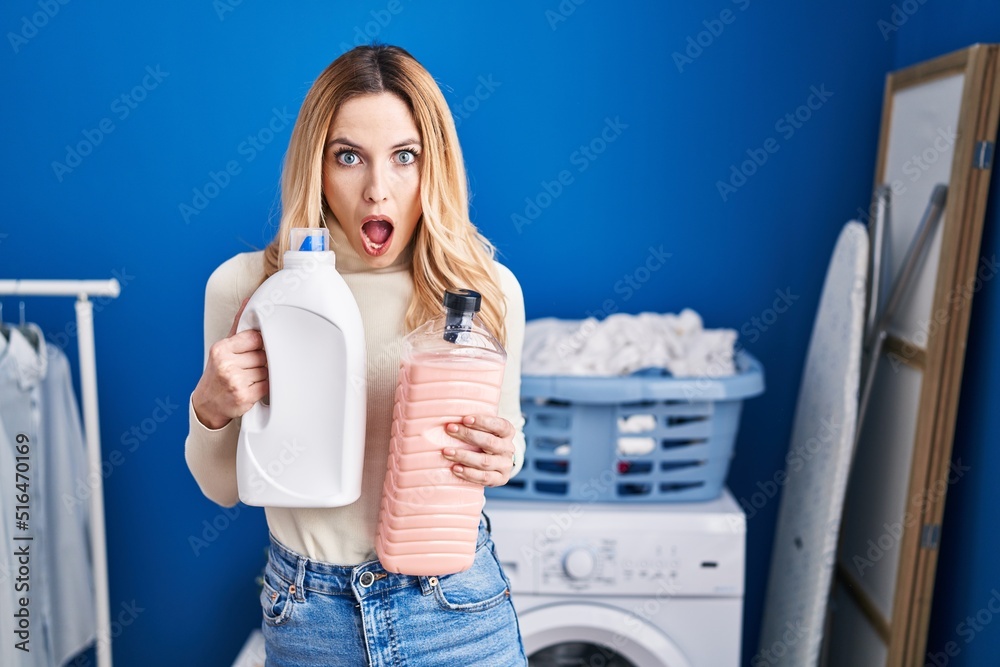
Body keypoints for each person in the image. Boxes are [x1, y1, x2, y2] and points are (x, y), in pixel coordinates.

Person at [184, 44, 528, 666]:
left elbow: (503, 451)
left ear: (435, 166)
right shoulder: (247, 290)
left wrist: (503, 455)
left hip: (456, 610)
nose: (377, 190)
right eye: (349, 157)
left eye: (404, 157)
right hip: (311, 614)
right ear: (316, 165)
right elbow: (221, 489)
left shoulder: (483, 293)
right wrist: (210, 407)